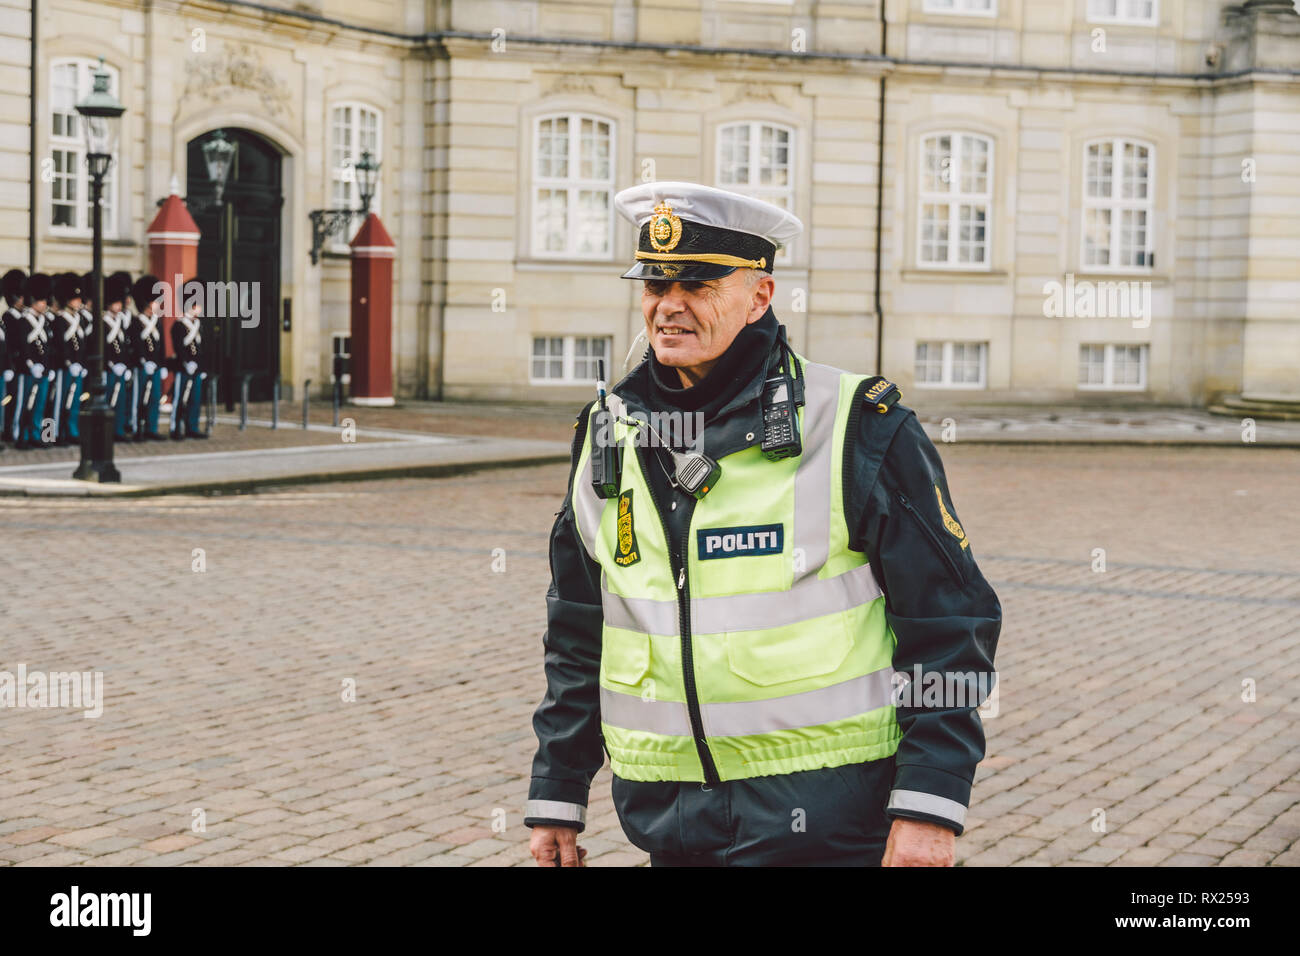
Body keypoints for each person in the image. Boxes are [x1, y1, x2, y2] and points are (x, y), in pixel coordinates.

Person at [525, 182, 1001, 867]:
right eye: (654, 284)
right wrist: (558, 794)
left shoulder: (857, 426)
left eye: (698, 283)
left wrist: (930, 803)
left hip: (829, 820)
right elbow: (579, 630)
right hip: (669, 822)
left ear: (760, 296)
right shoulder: (607, 436)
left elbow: (952, 625)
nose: (670, 306)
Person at [16, 272, 55, 449]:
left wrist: (48, 366)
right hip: (29, 369)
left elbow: (48, 345)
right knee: (26, 403)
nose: (45, 304)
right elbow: (22, 345)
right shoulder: (25, 321)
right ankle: (21, 436)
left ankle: (35, 433)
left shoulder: (44, 321)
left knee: (40, 404)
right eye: (42, 300)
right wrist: (31, 364)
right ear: (34, 300)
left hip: (44, 369)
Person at [50, 272, 87, 446]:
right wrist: (68, 362)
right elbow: (60, 345)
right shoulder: (59, 320)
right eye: (75, 298)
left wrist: (81, 363)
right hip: (63, 367)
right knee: (59, 401)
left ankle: (72, 430)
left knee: (74, 402)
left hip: (77, 366)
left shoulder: (80, 320)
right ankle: (56, 433)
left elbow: (82, 344)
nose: (78, 301)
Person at [169, 278, 208, 439]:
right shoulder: (179, 325)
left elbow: (202, 349)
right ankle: (175, 427)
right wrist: (186, 362)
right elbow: (179, 347)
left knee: (195, 399)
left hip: (196, 368)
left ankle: (192, 426)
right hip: (183, 368)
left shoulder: (199, 324)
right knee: (180, 399)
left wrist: (201, 366)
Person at [130, 274, 167, 441]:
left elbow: (161, 345)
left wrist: (162, 364)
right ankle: (138, 428)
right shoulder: (137, 322)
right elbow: (136, 344)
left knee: (154, 398)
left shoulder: (157, 322)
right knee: (139, 399)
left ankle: (152, 427)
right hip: (142, 366)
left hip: (156, 365)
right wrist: (143, 361)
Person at [102, 271, 135, 441]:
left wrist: (126, 366)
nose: (119, 305)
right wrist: (109, 364)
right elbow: (103, 347)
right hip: (109, 369)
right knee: (109, 402)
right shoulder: (103, 322)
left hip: (121, 368)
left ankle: (119, 429)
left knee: (121, 401)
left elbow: (124, 346)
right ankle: (107, 432)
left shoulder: (121, 321)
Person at [0, 269, 23, 449]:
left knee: (44, 406)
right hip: (20, 368)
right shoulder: (8, 317)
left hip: (20, 368)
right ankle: (10, 433)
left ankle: (48, 436)